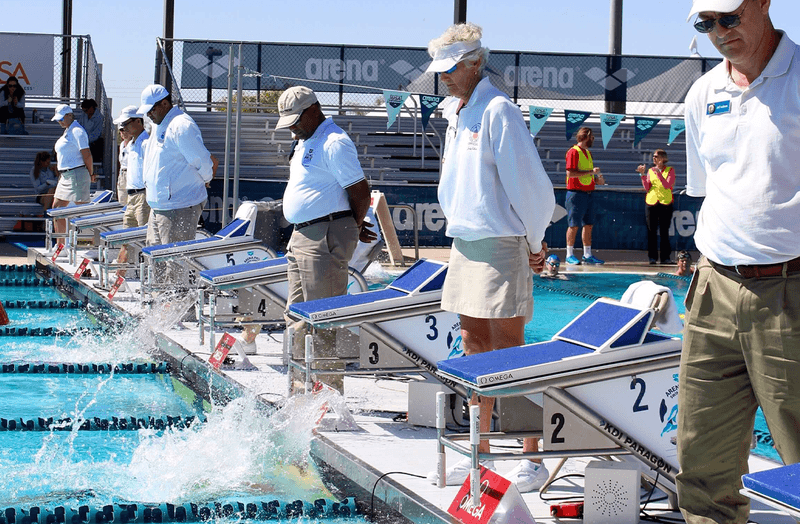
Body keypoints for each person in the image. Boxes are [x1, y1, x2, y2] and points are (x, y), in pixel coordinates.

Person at [678, 1, 800, 523]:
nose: (718, 33)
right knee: (700, 463)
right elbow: (710, 189)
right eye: (706, 24)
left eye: (729, 18)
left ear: (765, 4)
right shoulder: (703, 93)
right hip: (713, 287)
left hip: (789, 290)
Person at [424, 22, 556, 493]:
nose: (443, 77)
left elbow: (531, 187)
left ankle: (531, 457)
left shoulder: (499, 111)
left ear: (476, 63)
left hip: (501, 245)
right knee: (472, 344)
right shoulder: (455, 113)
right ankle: (480, 453)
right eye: (440, 69)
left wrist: (536, 242)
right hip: (466, 245)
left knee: (509, 350)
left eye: (451, 68)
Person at [275, 86, 374, 393]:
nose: (292, 126)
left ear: (313, 109)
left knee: (323, 318)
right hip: (303, 234)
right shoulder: (305, 139)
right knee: (297, 315)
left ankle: (329, 397)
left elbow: (360, 191)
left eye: (295, 119)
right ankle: (301, 387)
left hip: (325, 234)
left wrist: (351, 228)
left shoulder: (335, 142)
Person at [137, 84, 216, 249]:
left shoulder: (181, 125)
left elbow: (201, 160)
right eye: (147, 112)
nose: (149, 114)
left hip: (179, 205)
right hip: (159, 205)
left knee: (174, 264)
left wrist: (206, 179)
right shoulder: (158, 125)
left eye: (151, 110)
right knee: (155, 261)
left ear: (165, 104)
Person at [49, 104, 95, 253]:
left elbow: (87, 154)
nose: (60, 122)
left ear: (69, 115)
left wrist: (91, 173)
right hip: (66, 176)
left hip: (77, 174)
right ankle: (61, 246)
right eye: (58, 119)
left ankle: (88, 247)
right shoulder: (68, 131)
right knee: (57, 209)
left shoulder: (77, 131)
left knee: (83, 212)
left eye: (62, 118)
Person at [112, 105, 150, 274]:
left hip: (143, 196)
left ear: (138, 121)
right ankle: (120, 276)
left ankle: (149, 276)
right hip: (132, 196)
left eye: (126, 124)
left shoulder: (146, 143)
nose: (124, 128)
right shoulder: (131, 144)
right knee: (126, 237)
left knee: (146, 240)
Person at [564, 127, 605, 265]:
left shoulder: (588, 153)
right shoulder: (573, 152)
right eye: (592, 137)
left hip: (589, 193)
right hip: (576, 193)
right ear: (586, 136)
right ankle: (569, 254)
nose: (593, 140)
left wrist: (597, 178)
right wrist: (590, 172)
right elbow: (571, 173)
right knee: (573, 225)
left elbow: (589, 174)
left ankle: (587, 254)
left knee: (588, 224)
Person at [637, 149, 676, 265]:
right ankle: (652, 257)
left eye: (656, 156)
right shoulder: (650, 170)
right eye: (653, 156)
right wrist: (643, 175)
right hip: (652, 202)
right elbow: (648, 187)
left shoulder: (670, 170)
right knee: (651, 231)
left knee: (664, 231)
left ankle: (665, 257)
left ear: (663, 158)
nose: (654, 158)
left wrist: (658, 172)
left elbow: (667, 185)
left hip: (665, 203)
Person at [78, 99, 104, 163]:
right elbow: (79, 126)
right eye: (84, 111)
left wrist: (86, 141)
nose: (86, 112)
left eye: (86, 110)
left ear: (92, 107)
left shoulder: (99, 118)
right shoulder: (83, 115)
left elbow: (96, 133)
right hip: (83, 139)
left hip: (93, 142)